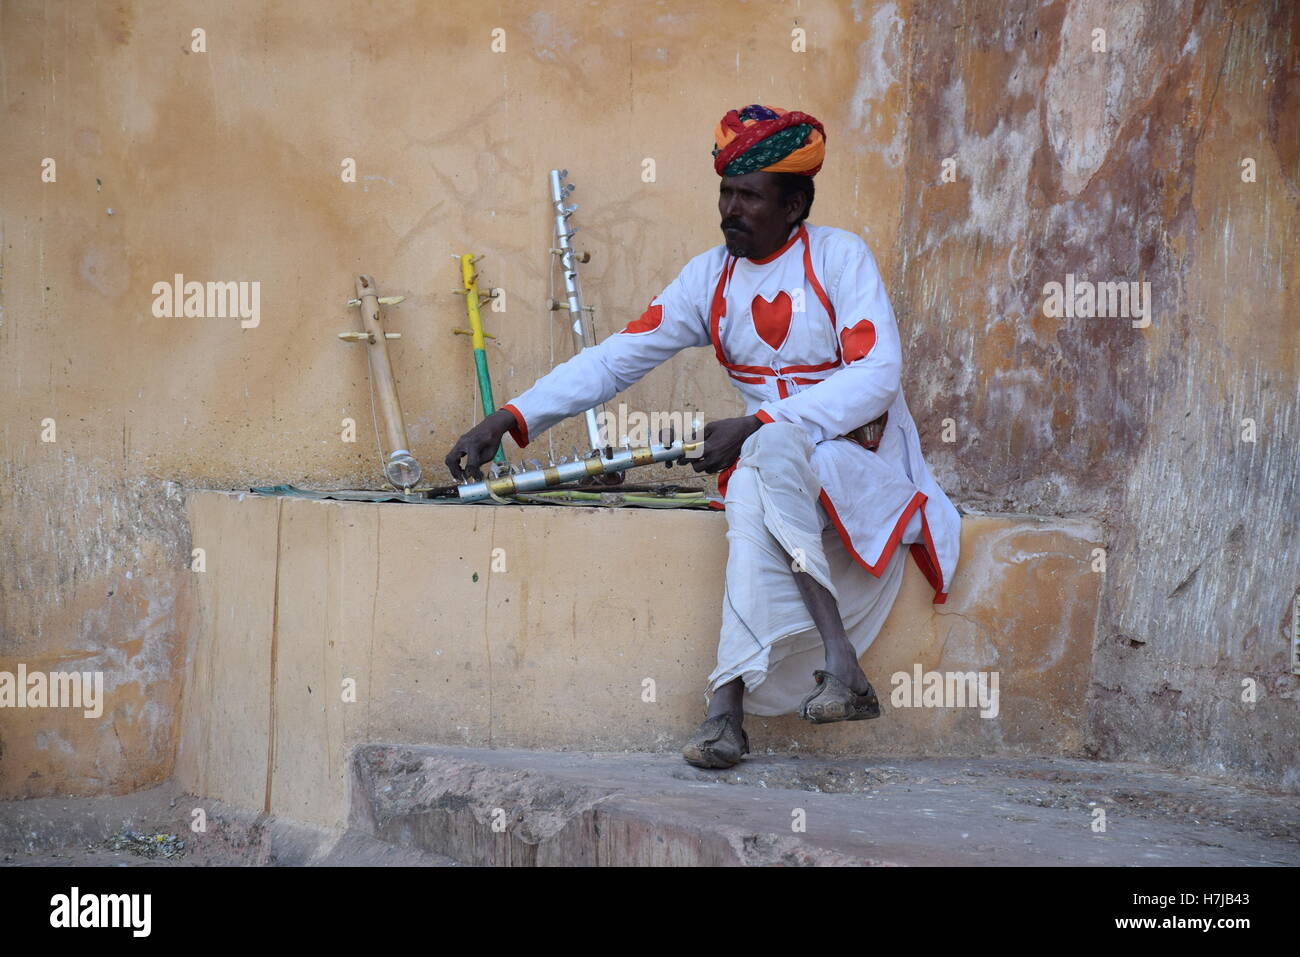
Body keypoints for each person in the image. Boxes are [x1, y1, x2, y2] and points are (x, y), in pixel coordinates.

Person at [445, 104, 959, 769]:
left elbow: (879, 375)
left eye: (750, 194)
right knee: (754, 476)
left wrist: (760, 422)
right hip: (780, 472)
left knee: (761, 457)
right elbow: (614, 358)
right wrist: (510, 418)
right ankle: (792, 685)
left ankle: (736, 701)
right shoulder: (708, 279)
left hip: (869, 472)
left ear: (795, 202)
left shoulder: (838, 258)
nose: (731, 208)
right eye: (726, 191)